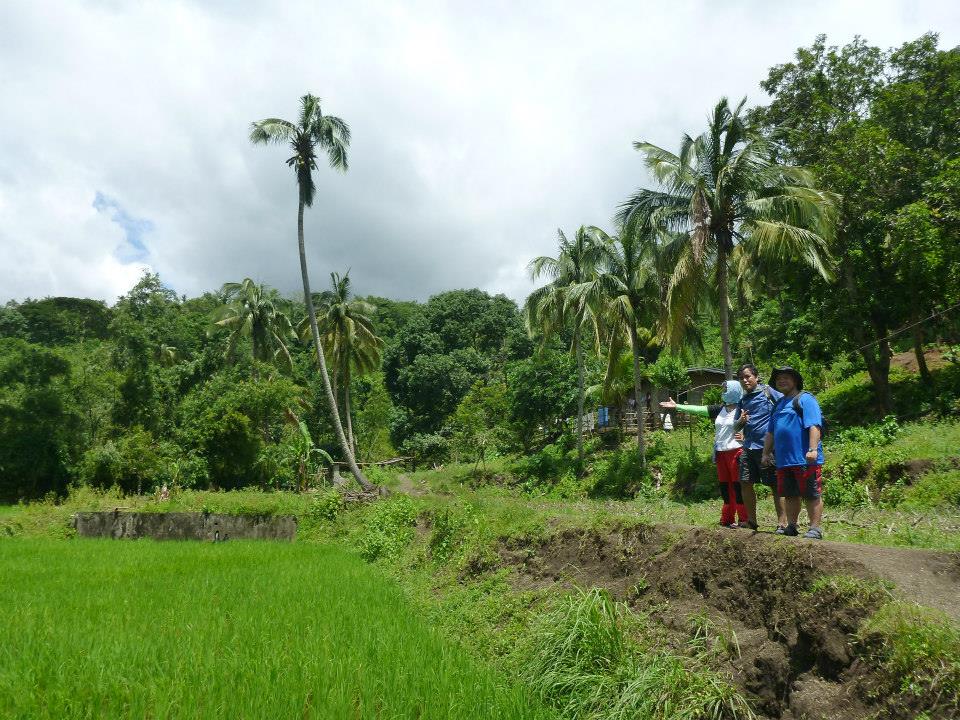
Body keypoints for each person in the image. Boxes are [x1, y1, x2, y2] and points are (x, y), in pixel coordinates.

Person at [661, 381, 747, 528]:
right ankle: (727, 518)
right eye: (723, 389)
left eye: (726, 389)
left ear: (734, 390)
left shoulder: (743, 409)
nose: (723, 391)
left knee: (738, 486)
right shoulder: (720, 409)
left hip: (736, 452)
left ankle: (744, 519)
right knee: (725, 487)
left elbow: (756, 427)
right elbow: (698, 409)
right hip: (721, 453)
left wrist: (745, 437)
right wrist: (678, 406)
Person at [761, 366, 825, 539]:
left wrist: (812, 449)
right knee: (789, 495)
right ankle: (792, 526)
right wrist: (765, 454)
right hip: (783, 461)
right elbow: (770, 433)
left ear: (795, 381)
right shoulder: (778, 405)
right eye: (778, 379)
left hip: (805, 459)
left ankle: (815, 529)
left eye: (786, 378)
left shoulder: (805, 399)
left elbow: (814, 425)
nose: (781, 381)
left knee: (811, 494)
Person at [734, 364, 786, 532]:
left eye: (748, 376)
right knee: (745, 482)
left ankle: (782, 523)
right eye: (741, 377)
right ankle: (751, 521)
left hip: (769, 448)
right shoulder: (742, 400)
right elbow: (735, 427)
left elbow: (787, 404)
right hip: (748, 447)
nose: (745, 380)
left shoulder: (768, 392)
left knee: (775, 485)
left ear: (756, 377)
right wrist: (741, 422)